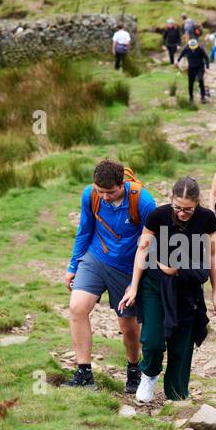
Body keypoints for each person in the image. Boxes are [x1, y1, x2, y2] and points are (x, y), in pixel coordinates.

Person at [120, 177, 216, 403]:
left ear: (197, 203)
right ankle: (149, 374)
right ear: (171, 201)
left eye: (188, 209)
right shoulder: (158, 216)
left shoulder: (207, 219)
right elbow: (142, 251)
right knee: (153, 340)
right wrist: (134, 287)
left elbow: (213, 256)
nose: (182, 213)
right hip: (154, 285)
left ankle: (176, 395)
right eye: (178, 207)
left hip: (187, 288)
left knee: (182, 344)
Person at [65, 158, 158, 390]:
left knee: (128, 327)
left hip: (128, 268)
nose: (104, 197)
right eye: (100, 191)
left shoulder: (143, 202)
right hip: (96, 257)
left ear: (122, 184)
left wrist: (138, 282)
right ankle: (84, 373)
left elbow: (153, 244)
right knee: (77, 307)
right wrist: (73, 266)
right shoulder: (91, 195)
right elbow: (84, 230)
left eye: (110, 192)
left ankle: (134, 369)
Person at [178, 37, 209, 103]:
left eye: (194, 47)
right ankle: (191, 97)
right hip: (191, 68)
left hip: (200, 67)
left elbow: (206, 57)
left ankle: (202, 96)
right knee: (190, 83)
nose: (193, 48)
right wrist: (178, 60)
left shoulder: (200, 49)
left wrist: (207, 66)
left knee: (200, 79)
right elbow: (182, 54)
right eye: (192, 47)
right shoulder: (187, 48)